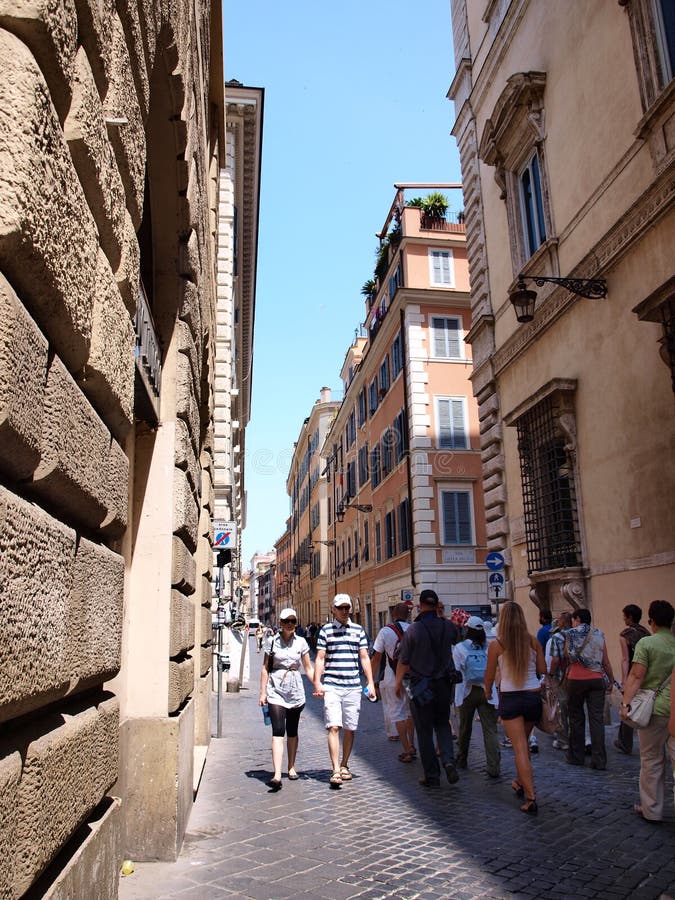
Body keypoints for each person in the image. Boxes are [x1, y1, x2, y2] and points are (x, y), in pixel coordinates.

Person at [394, 589, 460, 788]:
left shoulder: (413, 630)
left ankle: (432, 774)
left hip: (421, 686)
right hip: (444, 685)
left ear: (420, 605)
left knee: (424, 731)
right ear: (436, 604)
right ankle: (448, 760)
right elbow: (456, 639)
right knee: (442, 724)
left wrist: (397, 684)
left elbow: (403, 661)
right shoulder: (448, 627)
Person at [484, 601, 545, 815]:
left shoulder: (497, 645)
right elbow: (542, 669)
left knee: (519, 748)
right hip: (532, 697)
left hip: (511, 698)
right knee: (524, 745)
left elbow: (489, 675)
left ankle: (531, 798)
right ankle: (520, 783)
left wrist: (488, 692)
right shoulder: (533, 641)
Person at [313, 594, 376, 788]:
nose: (344, 611)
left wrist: (371, 682)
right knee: (333, 726)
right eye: (340, 607)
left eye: (347, 607)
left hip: (353, 686)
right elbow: (320, 658)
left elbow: (364, 657)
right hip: (332, 684)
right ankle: (335, 769)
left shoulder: (358, 630)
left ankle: (344, 764)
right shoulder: (325, 631)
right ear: (333, 609)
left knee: (350, 728)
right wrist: (317, 681)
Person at [621, 600, 675, 822]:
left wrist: (625, 704)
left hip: (653, 711)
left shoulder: (647, 643)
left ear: (651, 620)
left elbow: (636, 676)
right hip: (674, 708)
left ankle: (652, 809)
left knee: (651, 759)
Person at [259, 608, 314, 790]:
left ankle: (291, 767)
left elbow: (308, 667)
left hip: (295, 689)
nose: (290, 623)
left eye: (292, 620)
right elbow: (265, 667)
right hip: (275, 688)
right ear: (280, 623)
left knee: (292, 730)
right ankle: (276, 774)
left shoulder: (301, 642)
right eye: (286, 621)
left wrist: (318, 685)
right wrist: (262, 692)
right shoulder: (271, 642)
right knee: (278, 730)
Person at [553, 607, 614, 770]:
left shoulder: (570, 633)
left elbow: (567, 654)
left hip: (576, 679)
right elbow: (605, 661)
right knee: (596, 719)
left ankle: (577, 756)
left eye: (574, 619)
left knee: (576, 717)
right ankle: (599, 759)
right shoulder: (599, 634)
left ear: (577, 619)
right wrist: (611, 679)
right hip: (596, 679)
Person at [453, 616, 500, 777]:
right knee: (490, 730)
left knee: (465, 727)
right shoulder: (490, 647)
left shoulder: (460, 647)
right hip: (487, 690)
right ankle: (494, 767)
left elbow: (456, 669)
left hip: (467, 691)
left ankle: (461, 759)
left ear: (468, 629)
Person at [371, 602, 416, 761]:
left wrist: (370, 678)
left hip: (392, 675)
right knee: (410, 712)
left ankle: (406, 751)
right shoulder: (414, 629)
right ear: (407, 615)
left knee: (397, 712)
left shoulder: (386, 631)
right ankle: (412, 744)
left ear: (393, 614)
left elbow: (376, 657)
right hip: (412, 676)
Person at [614, 604, 650, 755]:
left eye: (624, 616)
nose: (623, 618)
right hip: (647, 674)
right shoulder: (646, 633)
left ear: (629, 616)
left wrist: (624, 680)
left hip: (633, 674)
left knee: (627, 707)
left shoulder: (626, 635)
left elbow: (625, 659)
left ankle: (625, 742)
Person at [546, 610, 573, 750]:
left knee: (561, 708)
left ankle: (563, 739)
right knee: (575, 708)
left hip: (561, 677)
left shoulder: (557, 637)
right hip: (576, 676)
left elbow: (555, 659)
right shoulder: (578, 634)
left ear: (561, 622)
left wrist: (550, 674)